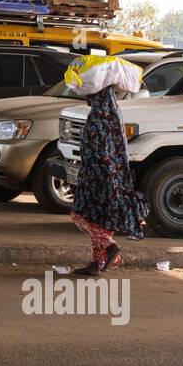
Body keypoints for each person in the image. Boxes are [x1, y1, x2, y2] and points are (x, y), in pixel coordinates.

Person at [70, 84, 148, 275]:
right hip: (111, 176)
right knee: (101, 220)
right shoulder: (112, 113)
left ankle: (109, 247)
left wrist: (99, 176)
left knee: (81, 215)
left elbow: (100, 150)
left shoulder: (98, 116)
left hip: (98, 177)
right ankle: (96, 264)